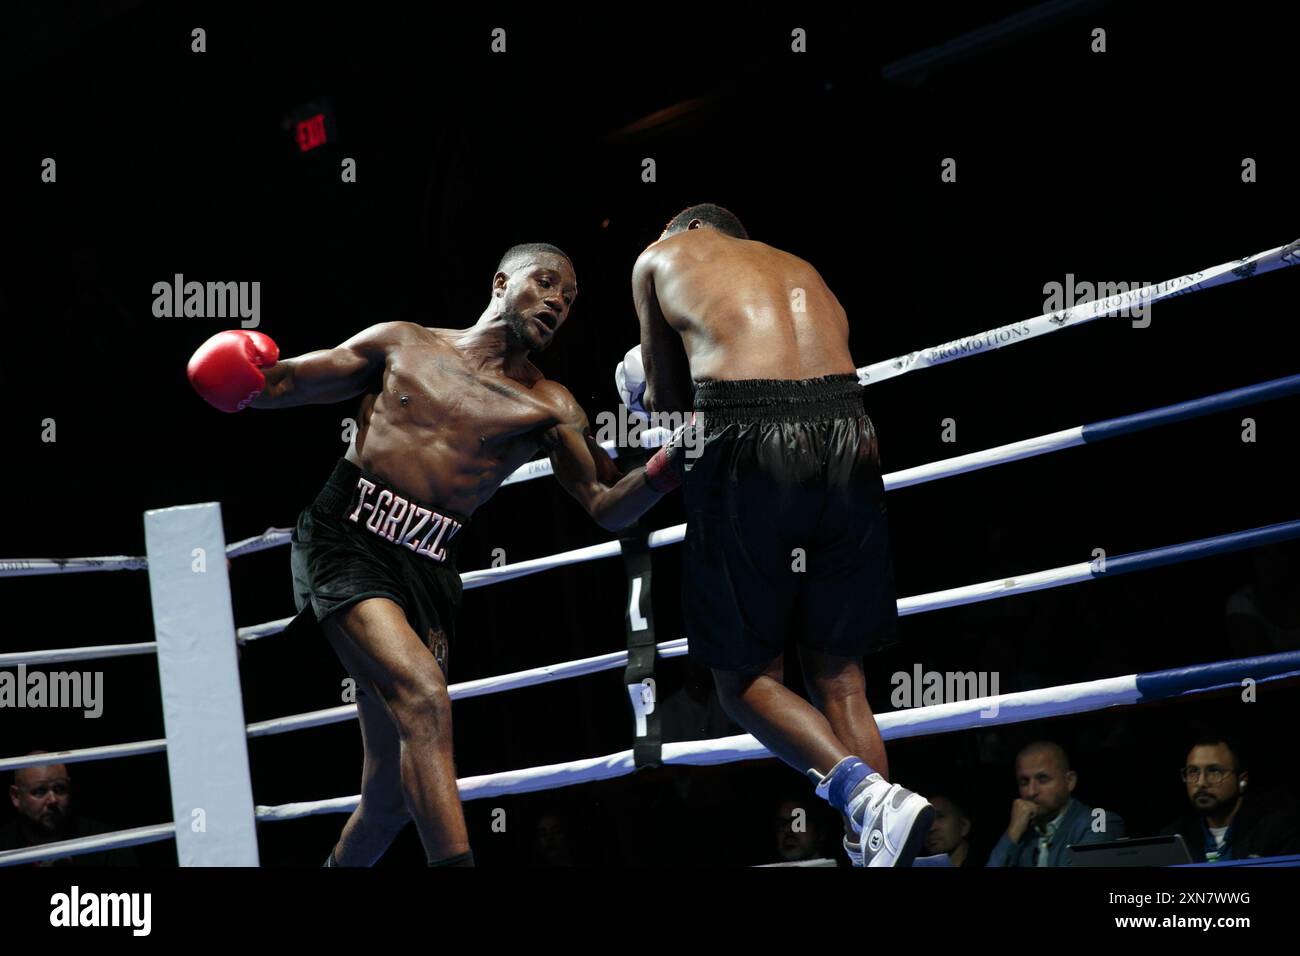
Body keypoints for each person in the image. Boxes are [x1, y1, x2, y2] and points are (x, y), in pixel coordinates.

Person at [188, 243, 678, 866]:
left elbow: (608, 503)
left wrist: (669, 467)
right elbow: (284, 381)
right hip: (348, 537)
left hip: (427, 569)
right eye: (547, 284)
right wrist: (246, 378)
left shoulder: (548, 405)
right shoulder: (403, 343)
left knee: (390, 800)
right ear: (502, 281)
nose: (558, 301)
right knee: (424, 698)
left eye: (570, 299)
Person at [621, 204, 932, 866]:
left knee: (739, 679)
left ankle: (864, 792)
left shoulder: (659, 255)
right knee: (841, 675)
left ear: (682, 232)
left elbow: (680, 414)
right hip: (852, 434)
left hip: (749, 435)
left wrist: (641, 397)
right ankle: (875, 828)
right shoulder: (800, 267)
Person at [1160, 731, 1300, 862]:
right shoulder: (1172, 838)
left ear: (1242, 780)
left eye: (1214, 771)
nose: (1201, 782)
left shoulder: (1277, 831)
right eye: (1193, 771)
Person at [986, 740, 1123, 866]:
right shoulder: (1021, 831)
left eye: (1043, 779)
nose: (1031, 792)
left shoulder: (1098, 821)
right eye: (1024, 782)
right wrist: (1013, 831)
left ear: (1069, 781)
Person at [1, 757, 138, 866]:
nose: (53, 800)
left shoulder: (106, 844)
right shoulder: (4, 848)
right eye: (40, 791)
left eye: (60, 788)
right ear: (16, 796)